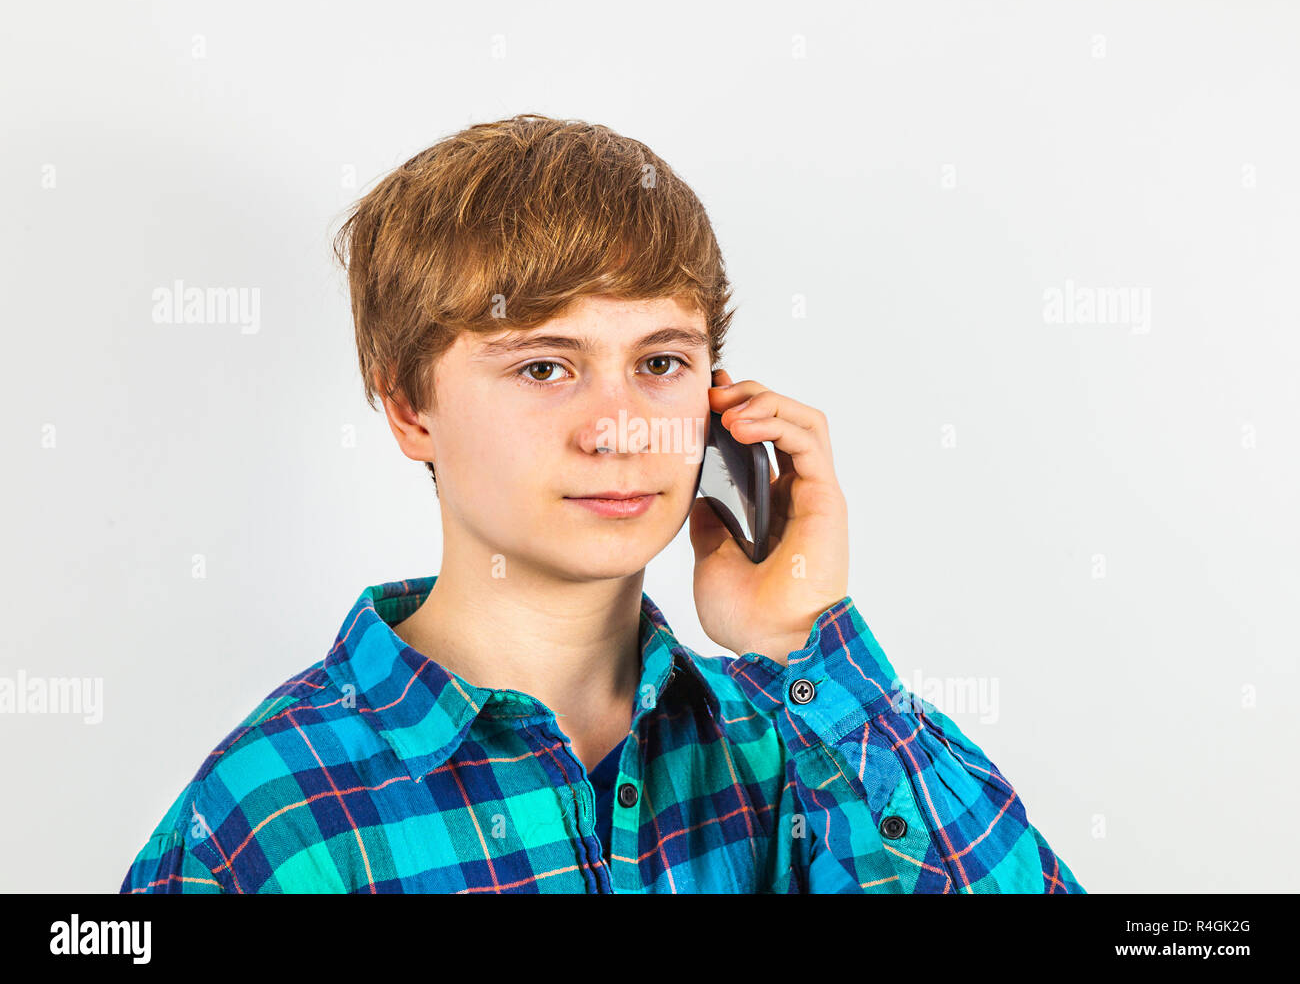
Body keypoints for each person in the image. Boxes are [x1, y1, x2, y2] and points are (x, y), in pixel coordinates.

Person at [120, 113, 1084, 893]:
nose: (621, 429)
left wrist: (800, 634)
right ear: (411, 408)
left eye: (660, 362)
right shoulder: (268, 819)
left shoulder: (802, 747)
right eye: (546, 366)